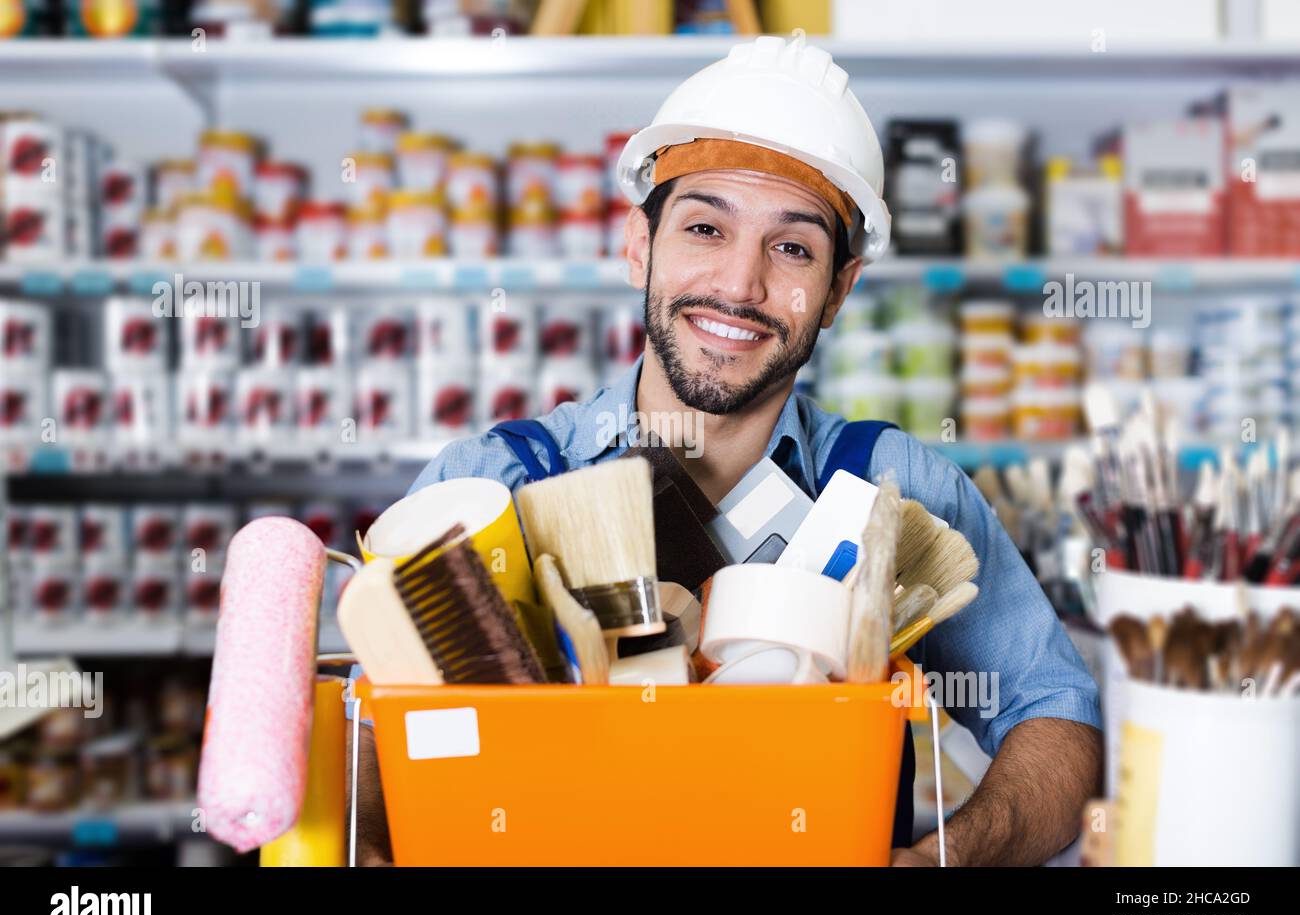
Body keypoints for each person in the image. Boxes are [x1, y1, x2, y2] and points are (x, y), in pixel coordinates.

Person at [356, 35, 1101, 867]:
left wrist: (942, 859)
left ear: (838, 292)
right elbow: (365, 731)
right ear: (638, 246)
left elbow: (1057, 712)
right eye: (706, 227)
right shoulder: (486, 486)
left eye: (792, 247)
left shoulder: (899, 487)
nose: (740, 285)